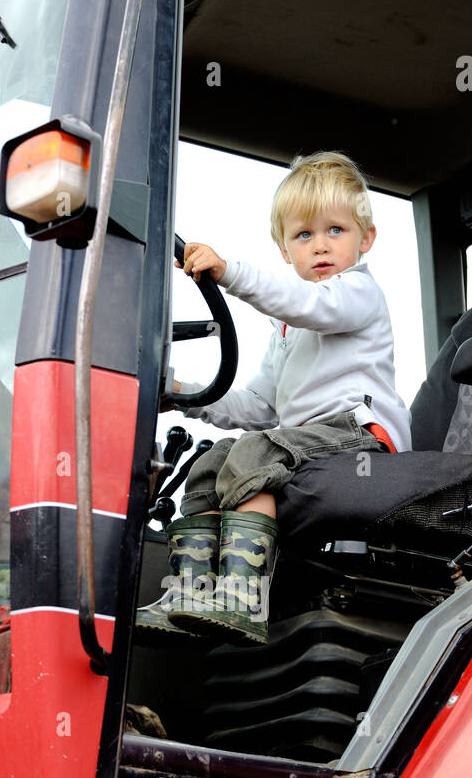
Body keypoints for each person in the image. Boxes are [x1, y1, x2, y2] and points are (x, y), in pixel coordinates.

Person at [136, 150, 410, 646]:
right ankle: (192, 593)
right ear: (285, 249)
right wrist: (181, 396)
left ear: (365, 239)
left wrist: (231, 273)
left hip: (360, 437)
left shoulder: (354, 294)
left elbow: (305, 303)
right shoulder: (288, 327)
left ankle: (244, 596)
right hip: (303, 441)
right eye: (304, 235)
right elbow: (260, 409)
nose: (321, 247)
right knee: (211, 463)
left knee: (254, 452)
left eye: (336, 231)